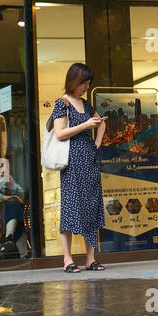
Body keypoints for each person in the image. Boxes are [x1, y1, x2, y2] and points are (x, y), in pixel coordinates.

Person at [49, 62, 106, 272]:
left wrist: (97, 142)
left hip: (89, 161)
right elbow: (60, 133)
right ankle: (68, 259)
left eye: (88, 84)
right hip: (71, 162)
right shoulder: (61, 103)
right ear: (74, 81)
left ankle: (91, 258)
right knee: (71, 209)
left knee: (92, 206)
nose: (86, 88)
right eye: (84, 83)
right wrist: (85, 126)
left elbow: (101, 122)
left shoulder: (87, 104)